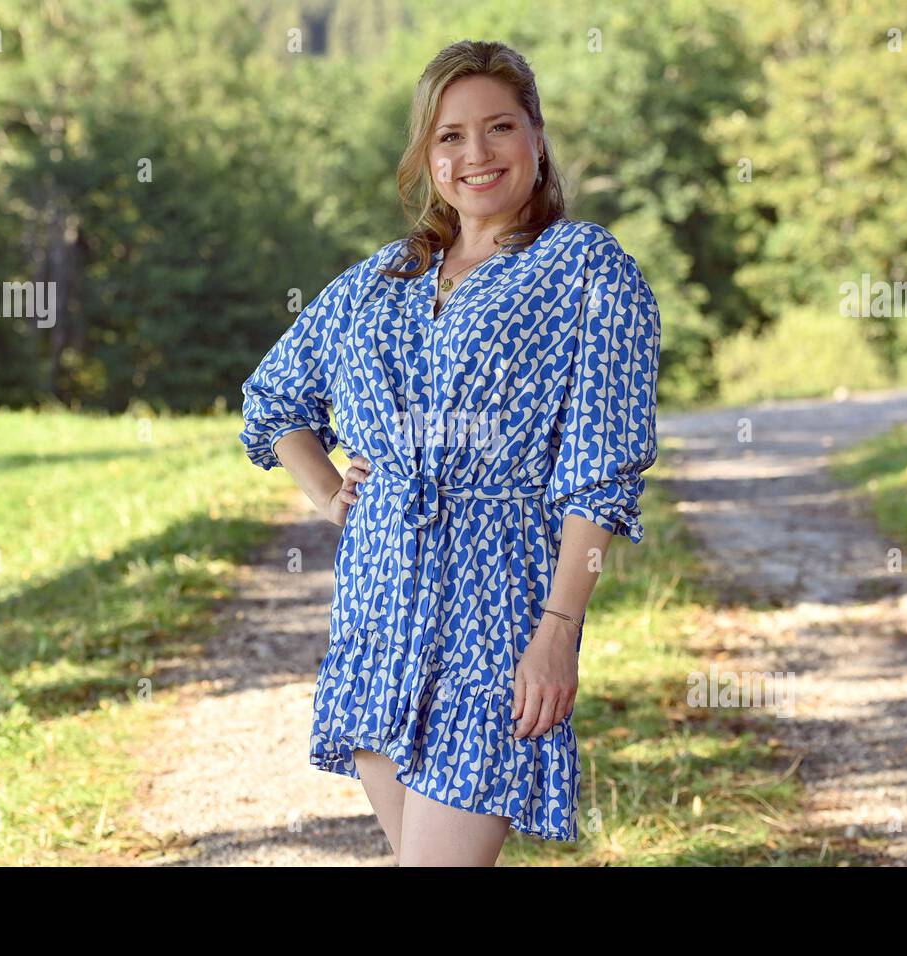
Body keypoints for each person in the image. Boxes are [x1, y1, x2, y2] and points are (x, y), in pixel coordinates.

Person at [239, 39, 661, 866]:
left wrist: (559, 630)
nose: (476, 154)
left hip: (497, 616)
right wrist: (330, 494)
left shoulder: (585, 269)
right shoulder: (381, 279)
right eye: (450, 136)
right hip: (376, 614)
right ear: (426, 156)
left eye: (499, 127)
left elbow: (599, 475)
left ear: (537, 137)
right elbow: (273, 396)